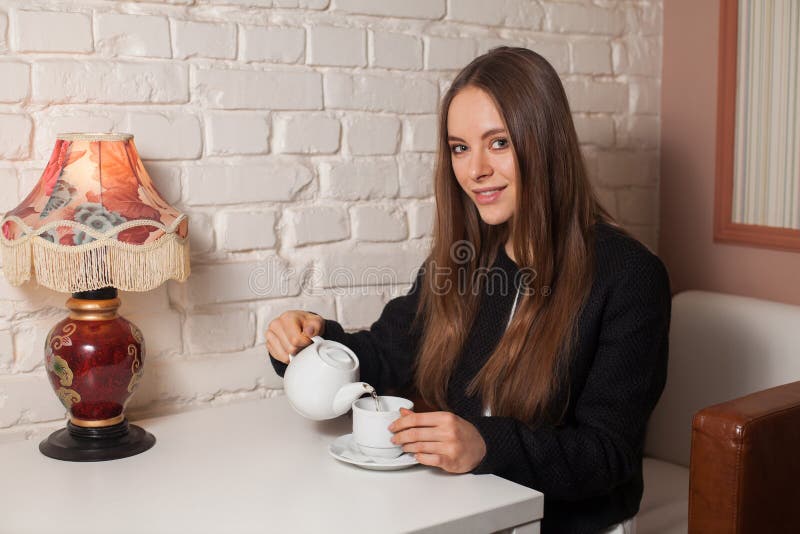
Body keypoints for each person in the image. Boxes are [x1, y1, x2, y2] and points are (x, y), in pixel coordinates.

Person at [267, 46, 670, 534]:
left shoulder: (630, 276)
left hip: (565, 520)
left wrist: (485, 443)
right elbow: (383, 354)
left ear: (545, 143)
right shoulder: (463, 260)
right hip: (457, 504)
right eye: (460, 147)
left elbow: (608, 454)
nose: (474, 169)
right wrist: (310, 343)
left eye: (498, 143)